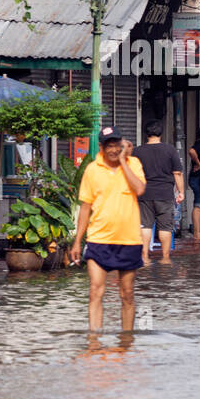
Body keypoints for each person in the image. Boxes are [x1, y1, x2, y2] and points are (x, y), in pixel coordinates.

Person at [70, 126, 146, 333]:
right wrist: (78, 241)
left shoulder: (133, 164)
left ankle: (126, 341)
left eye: (116, 145)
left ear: (122, 145)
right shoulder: (92, 170)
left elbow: (139, 189)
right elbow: (85, 208)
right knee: (95, 290)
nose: (113, 150)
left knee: (127, 293)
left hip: (129, 239)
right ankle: (94, 341)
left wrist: (123, 162)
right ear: (101, 147)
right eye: (109, 146)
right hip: (98, 239)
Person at [134, 121, 184, 266]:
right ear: (161, 134)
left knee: (145, 225)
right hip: (165, 194)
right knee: (165, 226)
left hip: (144, 194)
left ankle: (144, 257)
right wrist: (180, 192)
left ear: (146, 134)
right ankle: (165, 257)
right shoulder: (170, 150)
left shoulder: (137, 151)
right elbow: (178, 173)